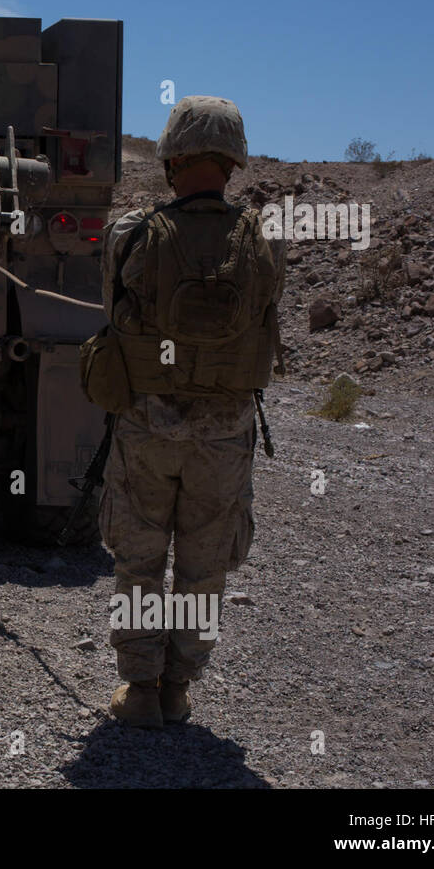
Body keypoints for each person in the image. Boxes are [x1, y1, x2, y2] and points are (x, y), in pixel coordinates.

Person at [93, 96, 286, 728]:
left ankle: (140, 690)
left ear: (173, 156)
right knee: (204, 568)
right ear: (232, 161)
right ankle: (178, 689)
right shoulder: (264, 239)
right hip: (225, 429)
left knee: (139, 560)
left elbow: (111, 321)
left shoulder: (132, 233)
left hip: (148, 423)